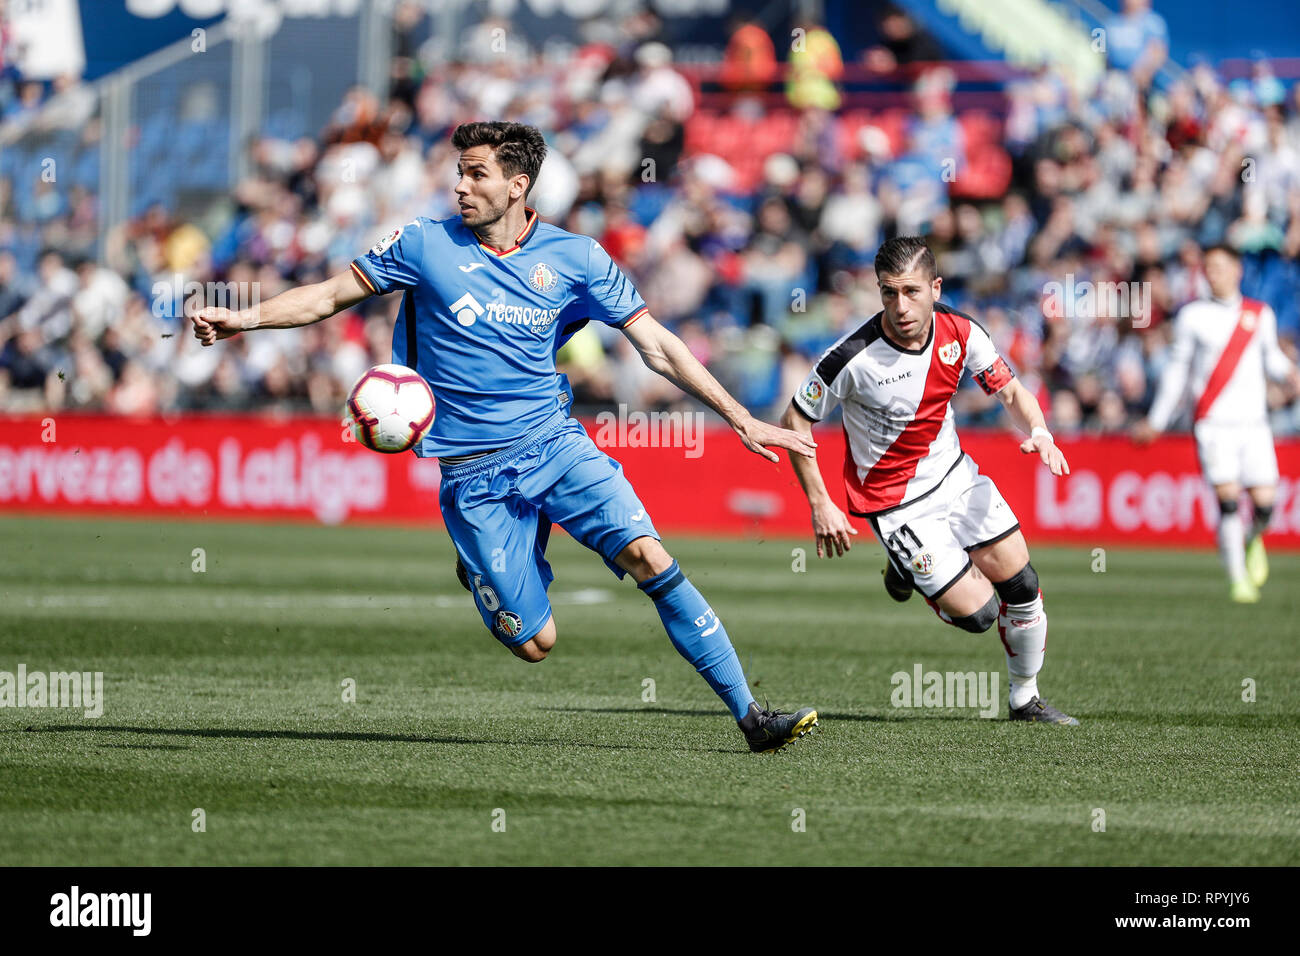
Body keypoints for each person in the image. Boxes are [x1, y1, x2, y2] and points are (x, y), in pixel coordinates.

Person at [192, 121, 819, 753]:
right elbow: (329, 296)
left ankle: (750, 717)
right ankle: (483, 573)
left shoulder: (577, 258)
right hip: (473, 476)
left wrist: (739, 417)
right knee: (536, 645)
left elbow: (656, 346)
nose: (459, 185)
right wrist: (245, 318)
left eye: (476, 173)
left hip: (556, 447)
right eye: (459, 172)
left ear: (518, 185)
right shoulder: (423, 245)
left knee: (650, 557)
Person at [779, 236, 1079, 725]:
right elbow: (795, 420)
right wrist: (820, 503)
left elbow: (1011, 392)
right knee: (980, 616)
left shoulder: (962, 333)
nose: (900, 306)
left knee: (1023, 584)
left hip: (956, 477)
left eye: (912, 292)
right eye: (889, 292)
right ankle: (904, 569)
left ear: (935, 288)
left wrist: (1041, 431)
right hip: (895, 505)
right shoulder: (850, 357)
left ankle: (1025, 699)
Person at [1134, 244, 1300, 602]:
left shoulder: (1260, 314)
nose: (1213, 274)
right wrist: (1157, 420)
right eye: (1208, 268)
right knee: (1227, 501)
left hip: (1254, 424)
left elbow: (1271, 358)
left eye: (1220, 267)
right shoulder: (1192, 316)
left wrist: (1290, 373)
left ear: (1237, 270)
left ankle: (1251, 539)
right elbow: (1177, 372)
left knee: (1266, 506)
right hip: (1213, 424)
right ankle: (1238, 579)